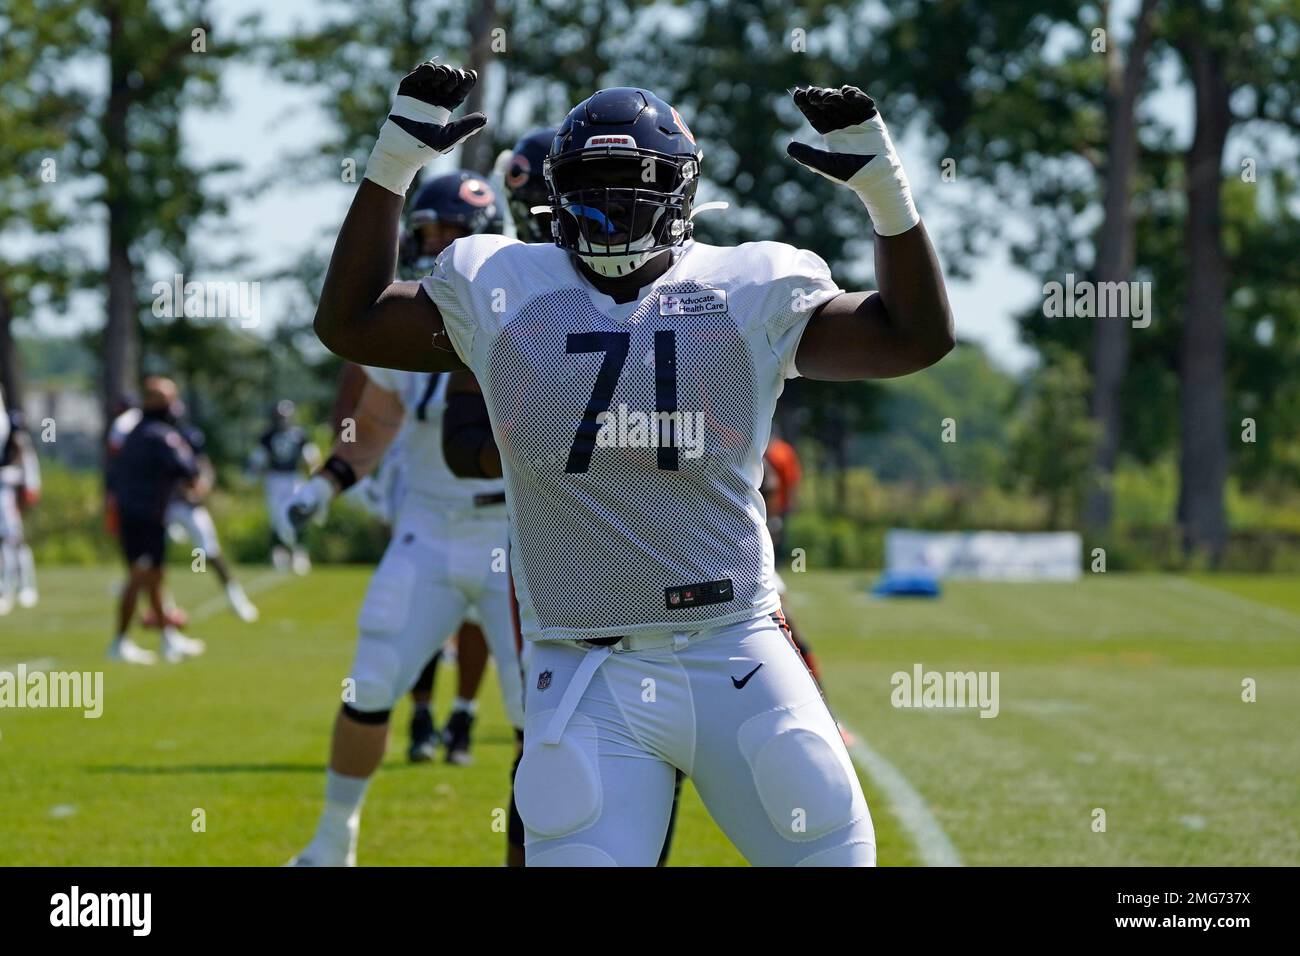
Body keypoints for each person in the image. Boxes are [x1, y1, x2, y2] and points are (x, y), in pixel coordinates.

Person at [313, 64, 953, 866]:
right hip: (589, 672)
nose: (612, 203)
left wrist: (885, 191)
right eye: (593, 182)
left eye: (634, 182)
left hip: (735, 649)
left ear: (680, 192)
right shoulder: (503, 284)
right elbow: (350, 322)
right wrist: (394, 160)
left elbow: (914, 337)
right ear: (557, 191)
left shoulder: (745, 286)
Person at [285, 170, 528, 866]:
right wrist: (325, 484)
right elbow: (373, 426)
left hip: (515, 542)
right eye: (427, 232)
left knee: (535, 718)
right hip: (426, 531)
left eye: (452, 233)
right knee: (367, 684)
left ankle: (535, 853)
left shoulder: (531, 323)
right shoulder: (405, 333)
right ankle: (333, 843)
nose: (437, 246)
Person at [104, 377, 207, 665]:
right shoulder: (161, 435)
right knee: (140, 577)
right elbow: (188, 470)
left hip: (138, 514)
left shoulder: (135, 432)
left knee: (155, 579)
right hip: (144, 517)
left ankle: (167, 638)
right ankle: (119, 642)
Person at [165, 416, 259, 622]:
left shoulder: (189, 438)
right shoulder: (158, 439)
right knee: (151, 556)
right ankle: (163, 605)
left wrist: (201, 487)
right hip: (167, 506)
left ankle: (236, 598)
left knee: (210, 551)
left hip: (191, 507)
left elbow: (204, 467)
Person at [247, 399, 319, 574]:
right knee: (276, 516)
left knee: (297, 513)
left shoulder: (300, 434)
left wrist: (315, 472)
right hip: (274, 478)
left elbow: (311, 457)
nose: (283, 420)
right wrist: (253, 476)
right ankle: (279, 553)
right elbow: (258, 460)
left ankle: (299, 552)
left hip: (294, 477)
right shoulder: (267, 436)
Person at [0, 407, 41, 613]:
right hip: (6, 496)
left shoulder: (19, 443)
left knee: (15, 542)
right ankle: (6, 589)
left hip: (9, 498)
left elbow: (27, 473)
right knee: (7, 545)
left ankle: (23, 587)